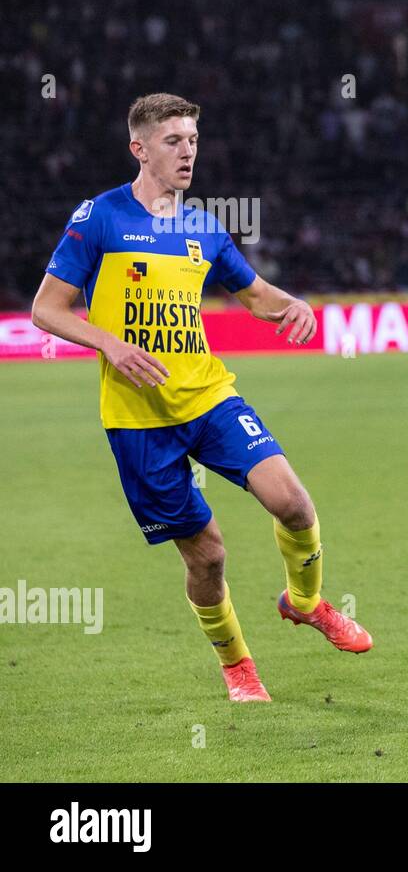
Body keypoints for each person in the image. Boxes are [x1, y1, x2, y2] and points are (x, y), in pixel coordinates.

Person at [30, 93, 371, 703]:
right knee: (207, 557)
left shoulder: (204, 226)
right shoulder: (99, 217)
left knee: (293, 503)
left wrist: (290, 304)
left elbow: (254, 293)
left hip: (209, 398)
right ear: (139, 148)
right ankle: (238, 667)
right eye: (172, 141)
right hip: (138, 422)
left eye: (192, 140)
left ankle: (306, 602)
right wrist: (110, 344)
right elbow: (47, 309)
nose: (187, 152)